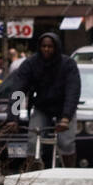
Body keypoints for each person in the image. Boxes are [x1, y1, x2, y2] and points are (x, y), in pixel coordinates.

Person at [13, 30, 81, 169]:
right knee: (33, 139)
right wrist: (12, 116)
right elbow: (19, 90)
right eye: (44, 46)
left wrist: (66, 118)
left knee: (66, 142)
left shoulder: (68, 64)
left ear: (56, 47)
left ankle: (70, 171)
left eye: (50, 46)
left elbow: (72, 91)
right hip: (43, 107)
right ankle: (32, 173)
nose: (46, 49)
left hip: (64, 108)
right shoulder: (31, 64)